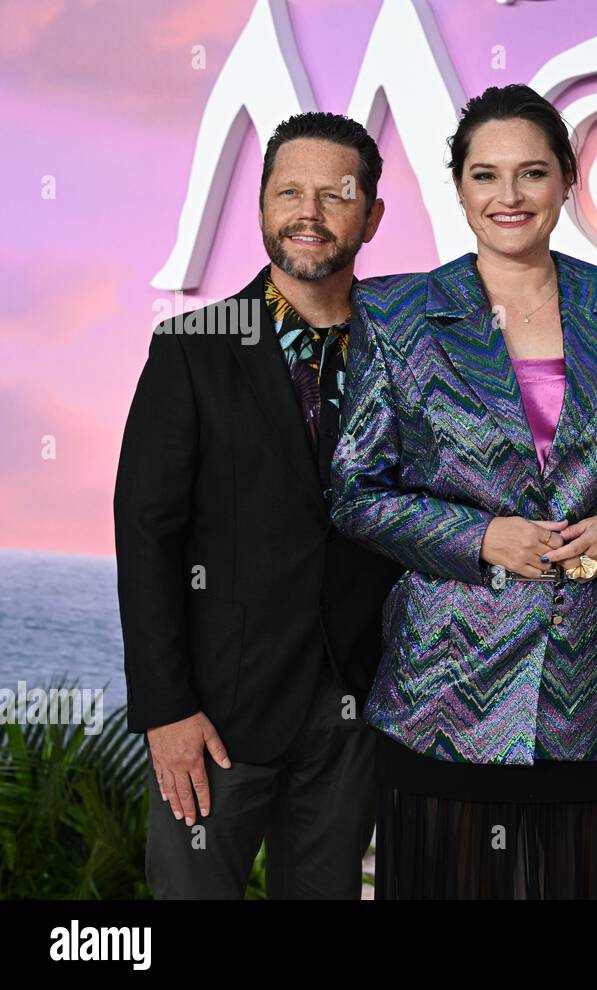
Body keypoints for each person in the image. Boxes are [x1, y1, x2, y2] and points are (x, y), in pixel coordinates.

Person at [329, 84, 597, 899]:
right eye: (485, 176)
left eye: (531, 173)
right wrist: (483, 539)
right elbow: (354, 490)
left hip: (594, 692)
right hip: (443, 695)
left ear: (567, 179)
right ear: (458, 189)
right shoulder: (396, 313)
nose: (509, 196)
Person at [115, 112, 402, 898]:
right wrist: (165, 708)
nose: (308, 213)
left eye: (335, 194)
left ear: (371, 215)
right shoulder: (192, 348)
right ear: (263, 207)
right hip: (214, 719)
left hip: (353, 711)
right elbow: (147, 537)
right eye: (288, 192)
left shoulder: (408, 352)